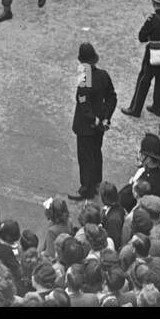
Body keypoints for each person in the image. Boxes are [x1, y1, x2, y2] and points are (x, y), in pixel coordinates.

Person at [70, 42, 116, 201]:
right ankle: (96, 182)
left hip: (86, 127)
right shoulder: (103, 75)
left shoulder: (84, 76)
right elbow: (112, 97)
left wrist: (94, 119)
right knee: (96, 153)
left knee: (85, 157)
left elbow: (83, 102)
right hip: (100, 125)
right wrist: (105, 118)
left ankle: (85, 188)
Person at [123, 0, 160, 117]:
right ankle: (157, 107)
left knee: (144, 81)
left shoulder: (152, 19)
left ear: (153, 1)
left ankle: (135, 108)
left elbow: (141, 37)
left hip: (152, 53)